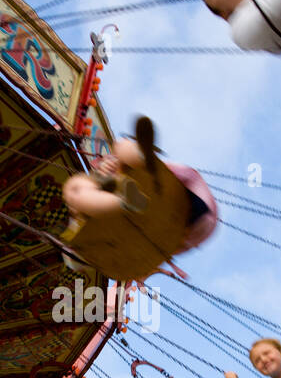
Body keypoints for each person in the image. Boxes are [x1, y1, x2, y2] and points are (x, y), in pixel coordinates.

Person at [61, 116, 217, 280]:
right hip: (184, 223)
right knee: (122, 151)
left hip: (170, 212)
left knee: (74, 188)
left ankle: (135, 170)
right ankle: (139, 161)